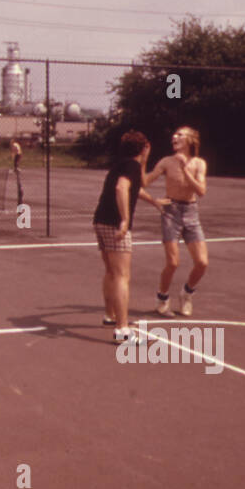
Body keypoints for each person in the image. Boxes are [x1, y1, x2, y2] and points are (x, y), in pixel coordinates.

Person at [92, 130, 164, 344]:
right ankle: (122, 329)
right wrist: (124, 220)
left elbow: (137, 188)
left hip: (100, 220)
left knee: (112, 272)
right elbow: (122, 188)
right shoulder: (131, 166)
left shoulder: (124, 164)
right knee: (122, 275)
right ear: (143, 148)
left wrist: (154, 202)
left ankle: (110, 315)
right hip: (114, 223)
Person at [143, 126, 208, 317]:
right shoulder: (166, 161)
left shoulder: (199, 163)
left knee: (202, 262)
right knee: (172, 263)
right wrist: (143, 161)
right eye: (174, 134)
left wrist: (184, 169)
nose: (174, 136)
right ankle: (162, 299)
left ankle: (186, 294)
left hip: (191, 212)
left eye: (180, 134)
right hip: (171, 211)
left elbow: (201, 191)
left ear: (190, 140)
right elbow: (145, 182)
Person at [10, 139, 24, 207]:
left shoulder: (14, 145)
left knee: (16, 162)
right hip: (19, 153)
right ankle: (16, 168)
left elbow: (14, 151)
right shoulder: (16, 145)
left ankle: (17, 168)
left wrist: (13, 155)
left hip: (18, 154)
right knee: (15, 162)